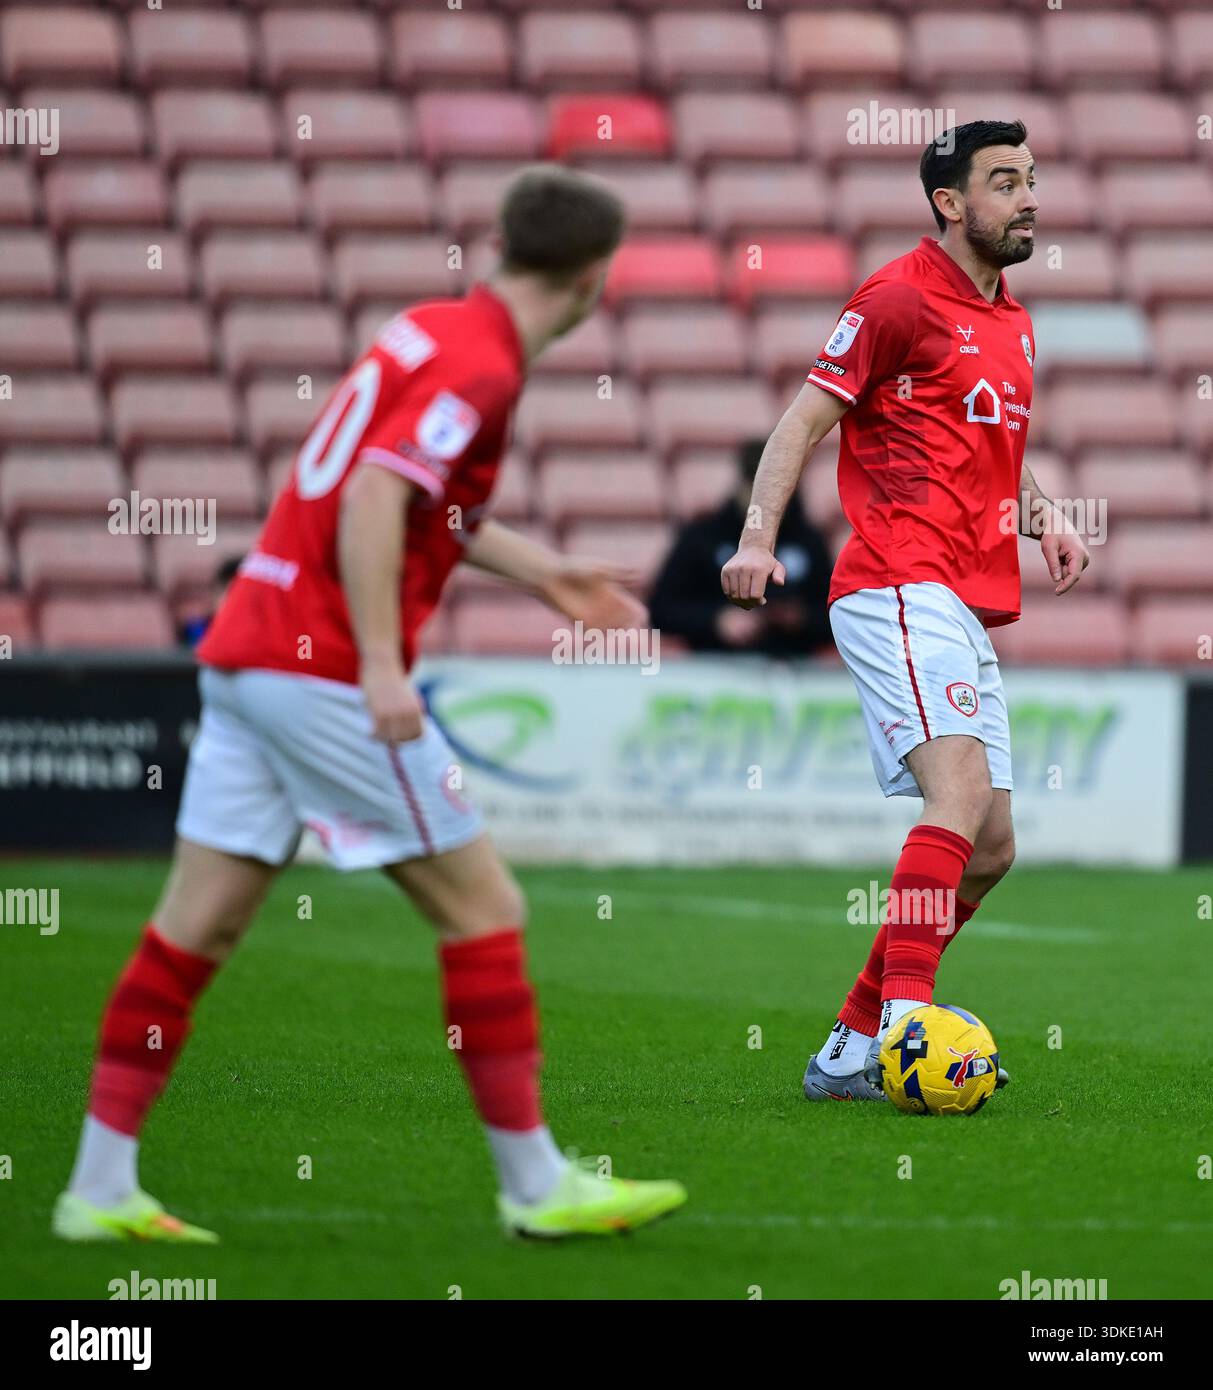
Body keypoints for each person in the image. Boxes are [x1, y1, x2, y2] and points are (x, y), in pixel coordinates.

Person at [55, 166, 686, 1242]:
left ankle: (98, 1189)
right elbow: (374, 496)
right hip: (324, 671)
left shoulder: (433, 329)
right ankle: (537, 1188)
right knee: (484, 909)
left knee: (195, 923)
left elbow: (411, 494)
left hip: (248, 651)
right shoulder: (482, 366)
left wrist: (541, 575)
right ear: (591, 279)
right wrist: (385, 668)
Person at [720, 121, 1089, 1100]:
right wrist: (758, 535)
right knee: (957, 797)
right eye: (1003, 182)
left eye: (1030, 179)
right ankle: (904, 1028)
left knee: (994, 847)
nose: (1027, 198)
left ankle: (846, 1045)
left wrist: (1044, 519)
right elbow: (800, 421)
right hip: (892, 578)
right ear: (949, 204)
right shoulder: (894, 298)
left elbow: (998, 454)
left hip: (961, 597)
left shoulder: (1011, 322)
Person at [649, 439, 833, 657]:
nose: (770, 501)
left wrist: (800, 619)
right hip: (716, 669)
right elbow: (662, 609)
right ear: (743, 484)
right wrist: (717, 620)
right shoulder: (703, 537)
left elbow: (836, 614)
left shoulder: (809, 541)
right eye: (760, 489)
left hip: (796, 671)